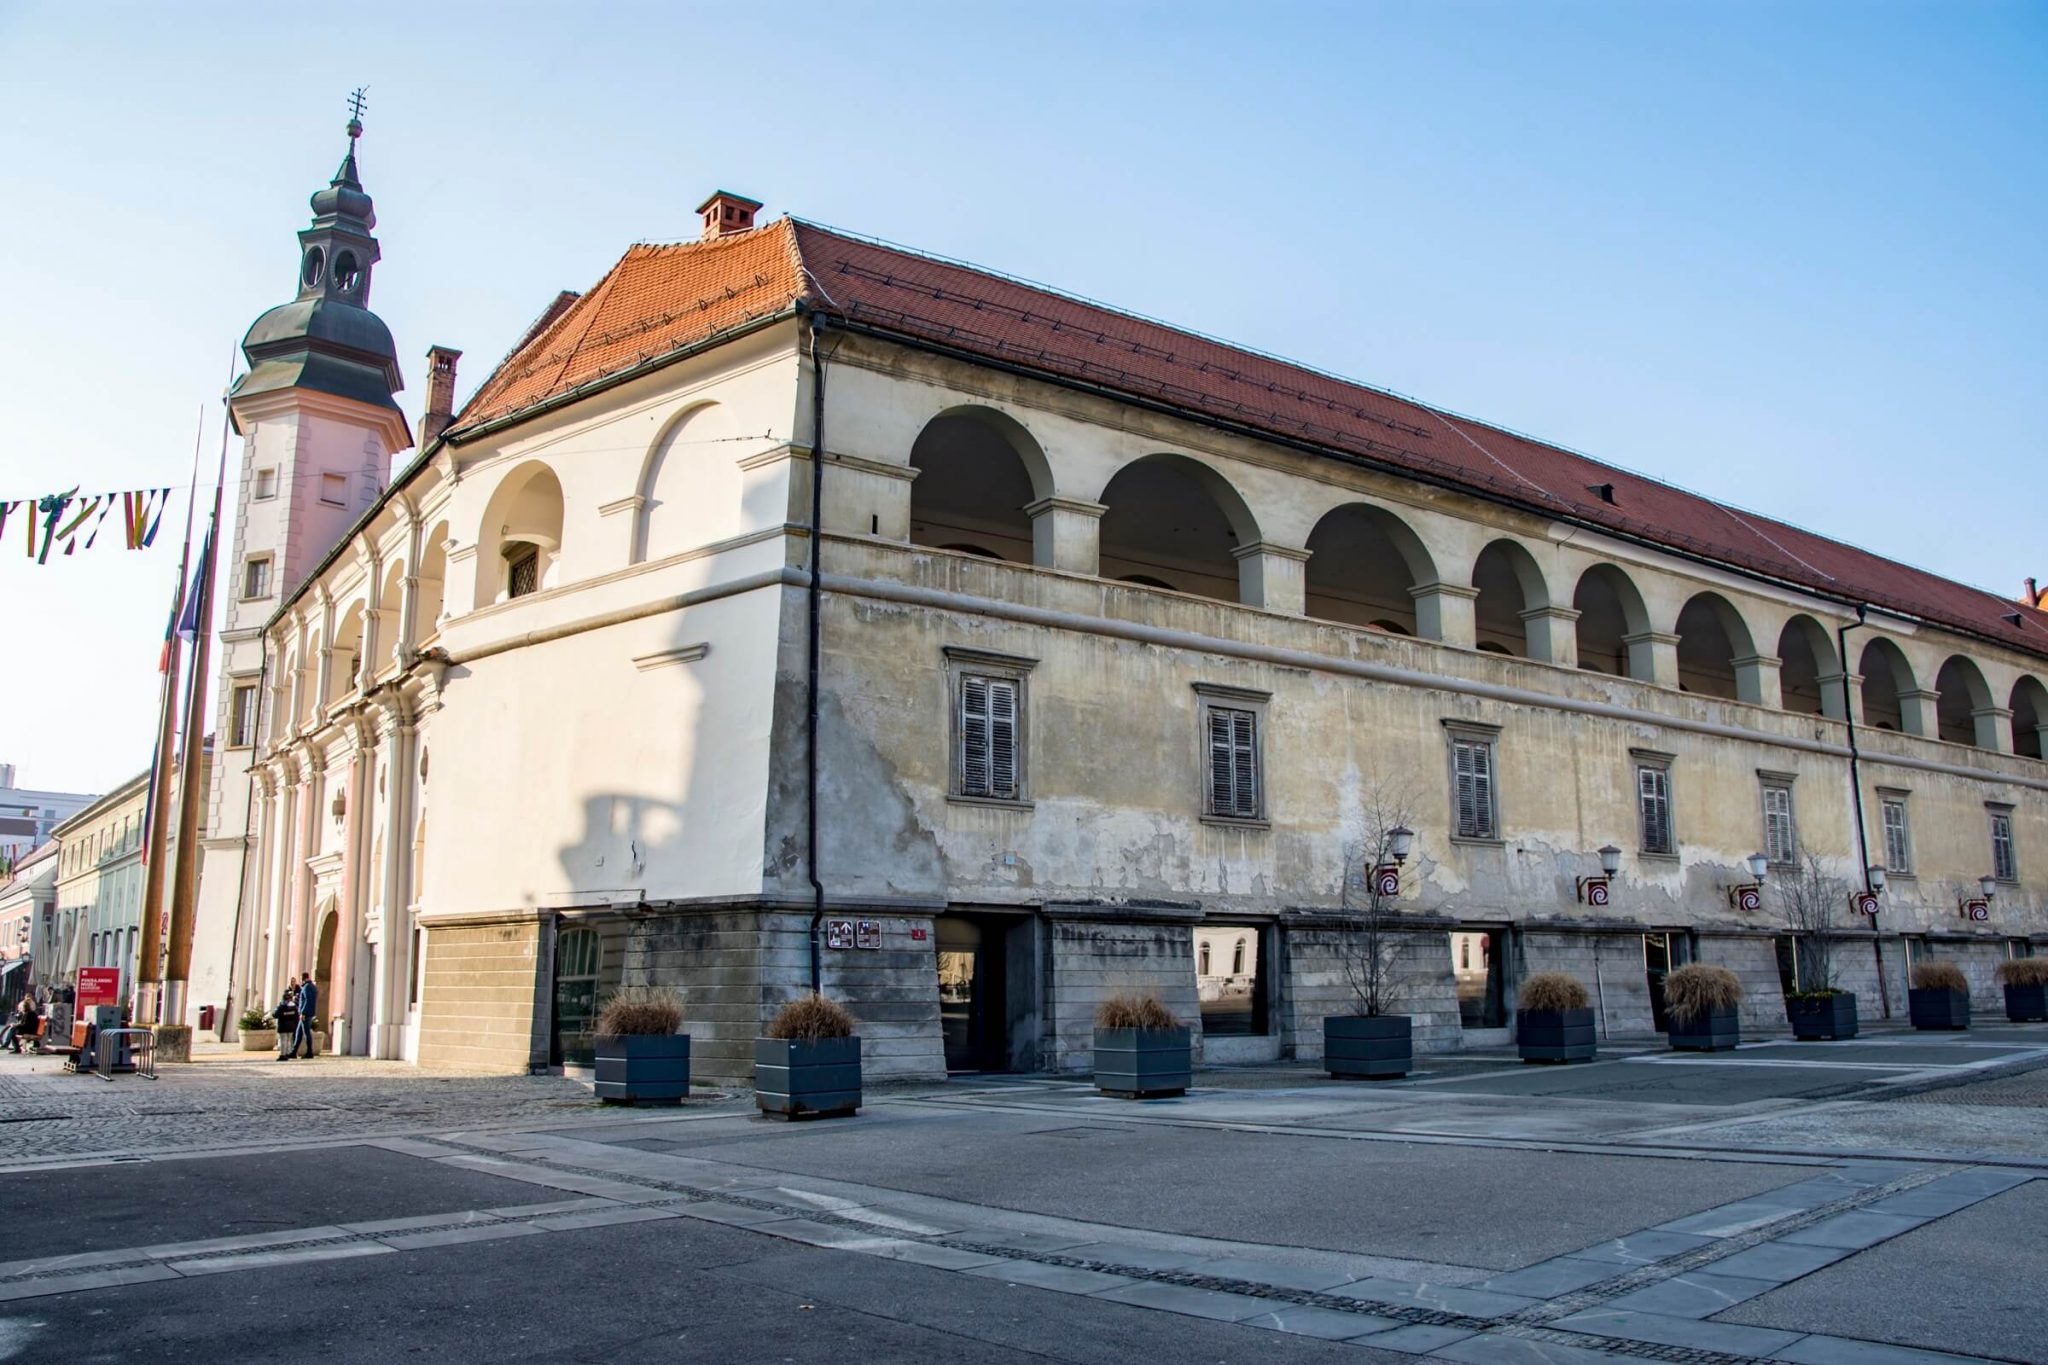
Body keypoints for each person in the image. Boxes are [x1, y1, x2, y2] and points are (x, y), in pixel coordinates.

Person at [289, 972, 318, 1060]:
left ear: (304, 978)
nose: (301, 981)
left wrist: (303, 1012)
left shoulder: (306, 987)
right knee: (299, 1032)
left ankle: (309, 1052)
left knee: (306, 1032)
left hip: (305, 1013)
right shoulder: (312, 986)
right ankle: (294, 1052)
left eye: (301, 979)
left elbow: (307, 1001)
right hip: (309, 1012)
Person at [273, 981, 300, 1060]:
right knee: (289, 1041)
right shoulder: (294, 1007)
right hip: (291, 1027)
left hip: (283, 1026)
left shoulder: (282, 1007)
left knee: (283, 1041)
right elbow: (296, 1017)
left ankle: (283, 1055)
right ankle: (288, 1053)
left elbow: (275, 1015)